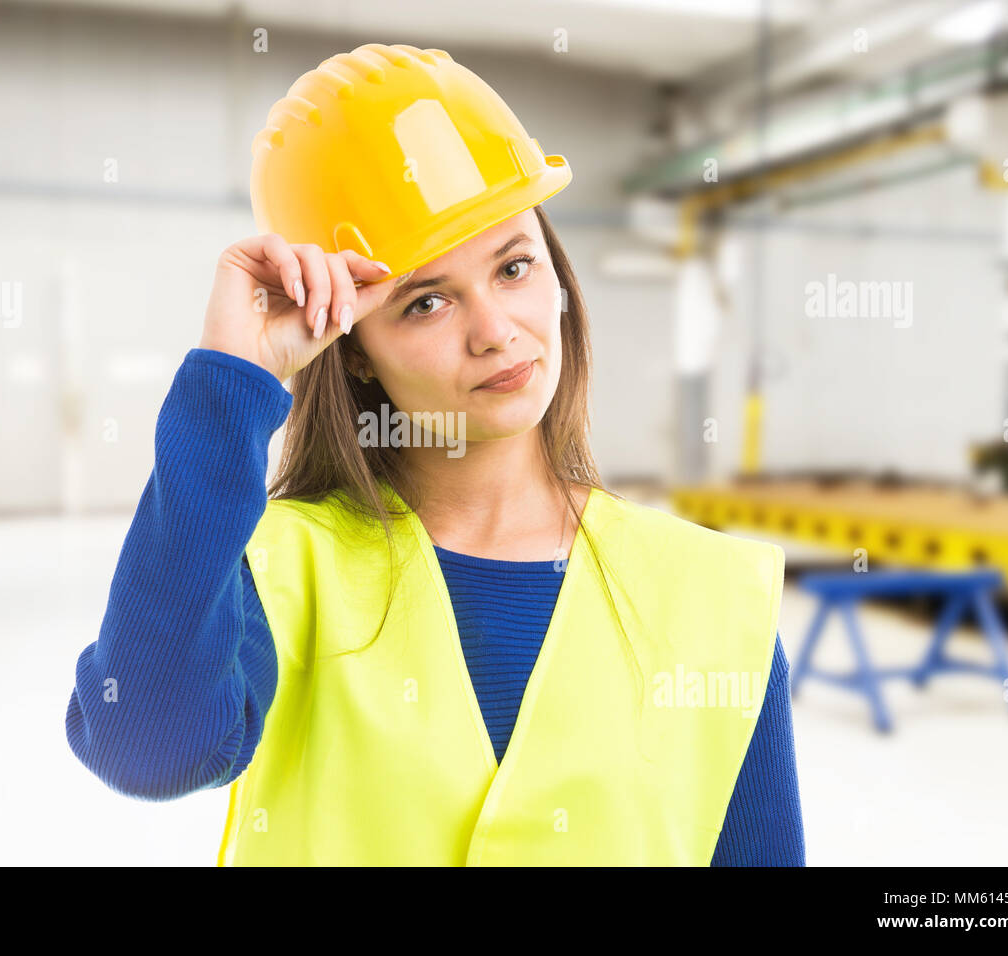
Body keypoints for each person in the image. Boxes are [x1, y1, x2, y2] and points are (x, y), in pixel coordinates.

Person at [65, 43, 806, 866]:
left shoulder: (713, 597)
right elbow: (144, 748)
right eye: (425, 302)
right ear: (351, 348)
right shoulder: (283, 575)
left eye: (514, 267)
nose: (495, 330)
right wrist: (230, 381)